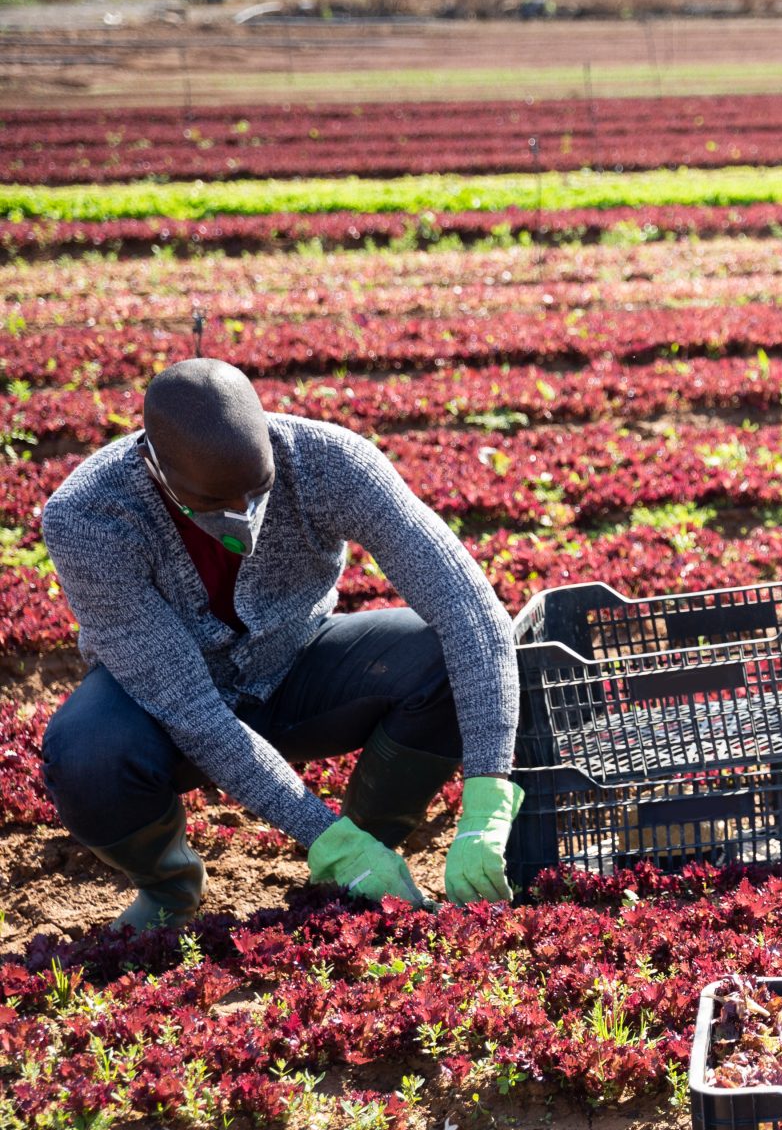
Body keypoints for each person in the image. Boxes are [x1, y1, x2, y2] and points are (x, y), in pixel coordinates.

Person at [40, 359, 527, 931]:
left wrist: (488, 795)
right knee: (87, 754)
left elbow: (470, 610)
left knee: (443, 661)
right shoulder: (89, 517)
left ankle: (369, 851)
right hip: (165, 711)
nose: (243, 518)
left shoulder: (328, 462)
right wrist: (322, 835)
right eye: (215, 505)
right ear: (155, 468)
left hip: (294, 662)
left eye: (257, 492)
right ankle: (168, 889)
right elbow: (190, 708)